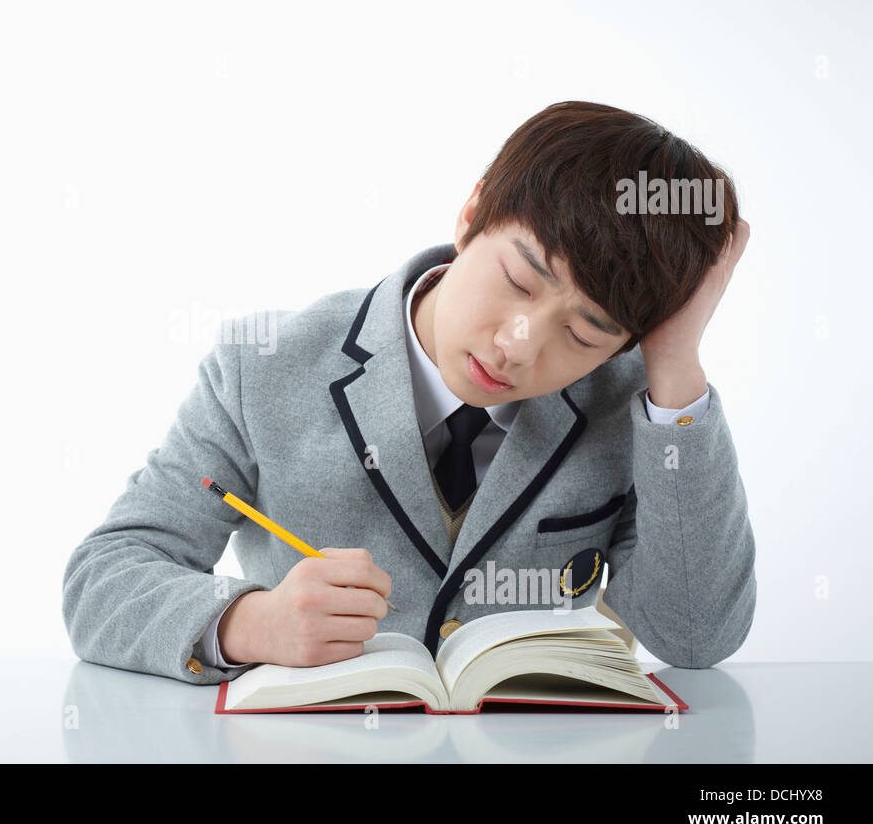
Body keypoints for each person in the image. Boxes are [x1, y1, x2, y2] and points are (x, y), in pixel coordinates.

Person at [62, 100, 756, 685]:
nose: (517, 344)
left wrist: (676, 364)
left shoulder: (635, 407)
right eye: (519, 281)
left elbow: (695, 637)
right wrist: (251, 623)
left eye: (583, 333)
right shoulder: (261, 369)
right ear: (472, 214)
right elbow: (104, 577)